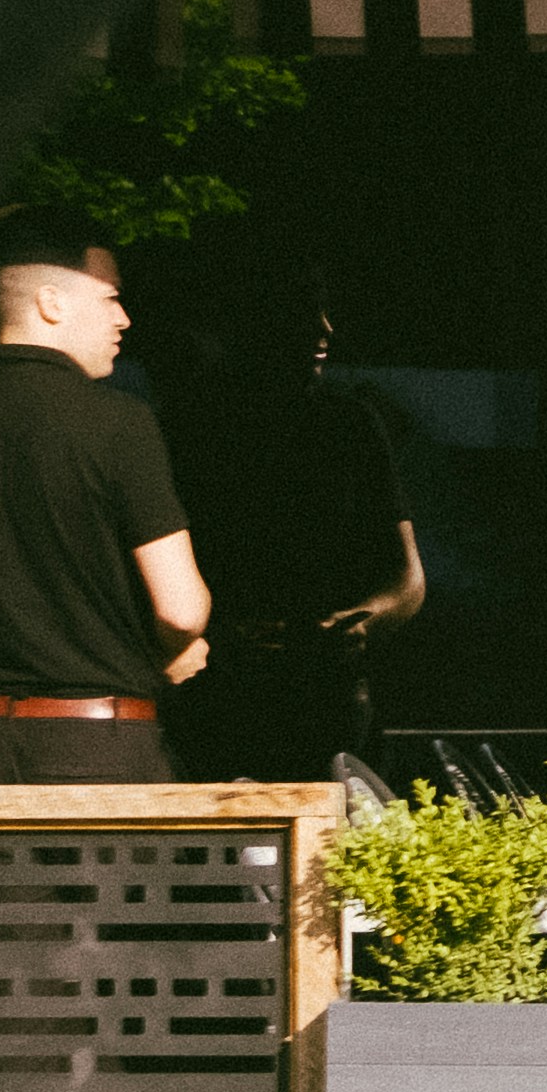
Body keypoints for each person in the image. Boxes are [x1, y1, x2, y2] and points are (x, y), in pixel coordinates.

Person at [0, 213, 211, 787]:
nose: (124, 319)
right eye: (109, 299)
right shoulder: (120, 424)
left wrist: (9, 661)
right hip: (106, 753)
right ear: (50, 302)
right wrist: (131, 657)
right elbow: (180, 608)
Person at [153, 259, 424, 785]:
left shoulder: (350, 425)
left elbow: (408, 576)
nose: (325, 329)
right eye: (304, 311)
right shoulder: (191, 427)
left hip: (325, 692)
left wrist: (363, 620)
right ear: (256, 323)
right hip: (219, 690)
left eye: (323, 311)